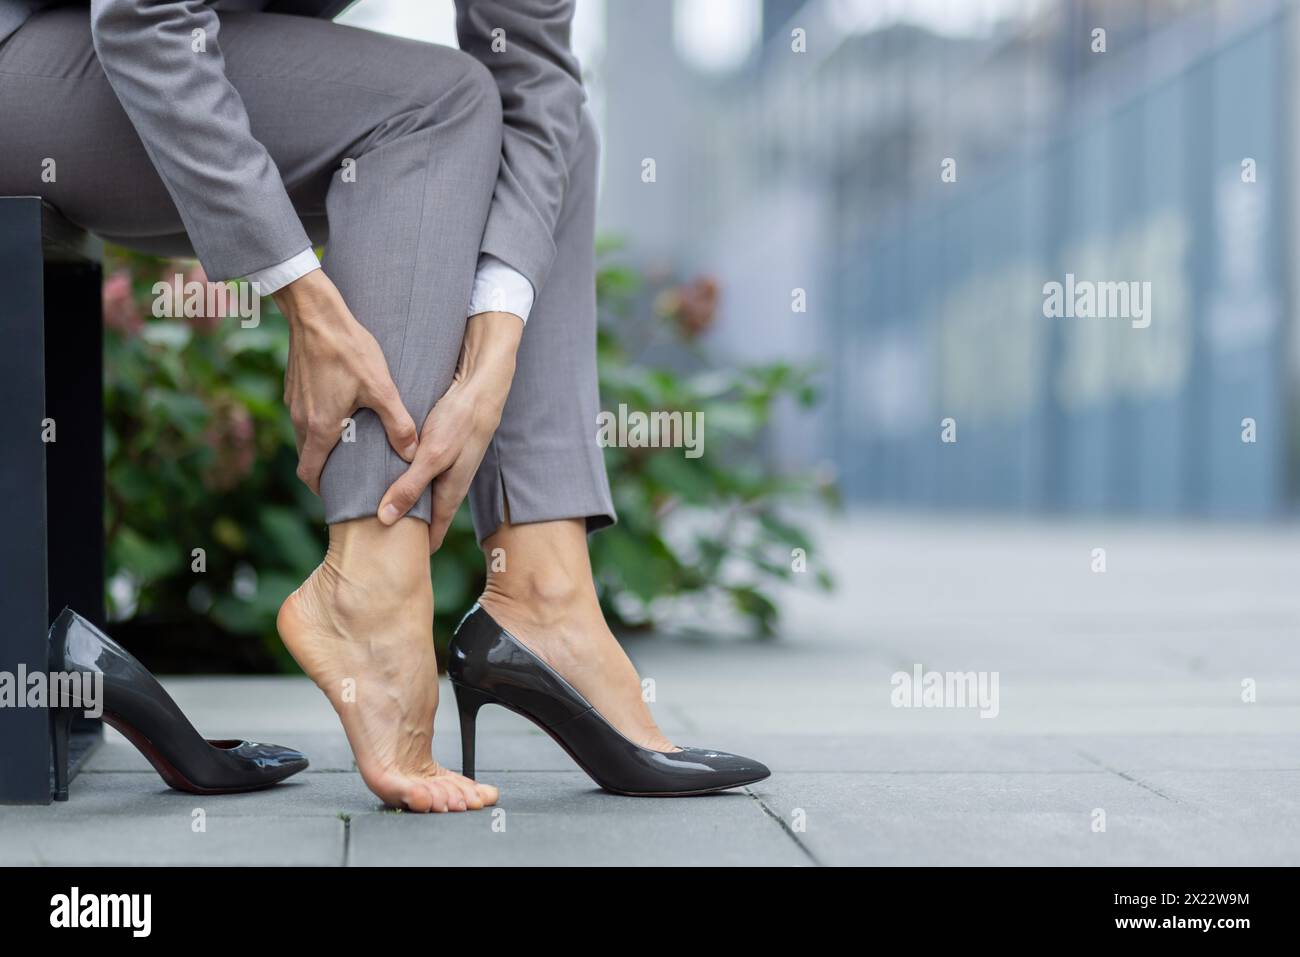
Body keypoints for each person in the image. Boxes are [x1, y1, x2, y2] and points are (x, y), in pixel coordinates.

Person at [0, 0, 768, 811]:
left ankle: (545, 595)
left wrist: (496, 340)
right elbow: (143, 18)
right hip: (39, 59)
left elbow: (534, 67)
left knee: (549, 133)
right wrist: (303, 297)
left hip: (175, 55)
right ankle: (368, 583)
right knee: (437, 106)